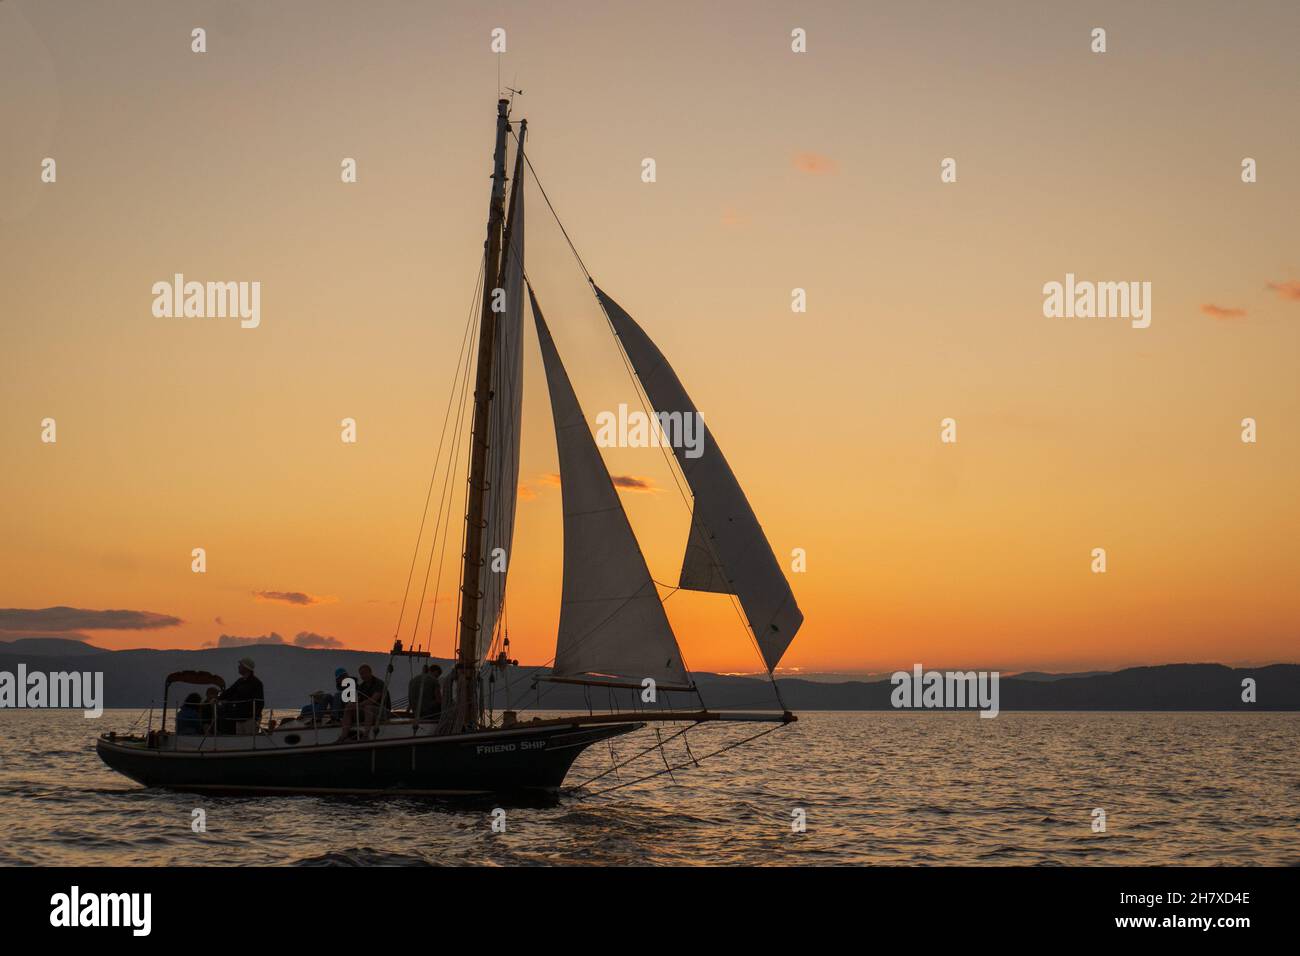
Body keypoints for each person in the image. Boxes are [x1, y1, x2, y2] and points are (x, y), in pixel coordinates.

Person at [336, 663, 389, 742]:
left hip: (382, 711)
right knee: (348, 708)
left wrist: (358, 705)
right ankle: (343, 736)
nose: (363, 676)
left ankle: (365, 735)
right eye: (361, 674)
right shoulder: (362, 686)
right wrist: (352, 705)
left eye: (364, 673)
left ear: (370, 672)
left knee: (368, 707)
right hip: (366, 711)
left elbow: (373, 700)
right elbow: (357, 699)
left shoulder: (379, 683)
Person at [218, 657, 265, 734]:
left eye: (240, 665)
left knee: (249, 741)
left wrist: (255, 717)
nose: (238, 667)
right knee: (240, 740)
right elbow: (229, 692)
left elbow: (259, 702)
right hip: (239, 717)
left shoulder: (256, 683)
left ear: (246, 668)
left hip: (250, 719)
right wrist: (218, 698)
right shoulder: (240, 681)